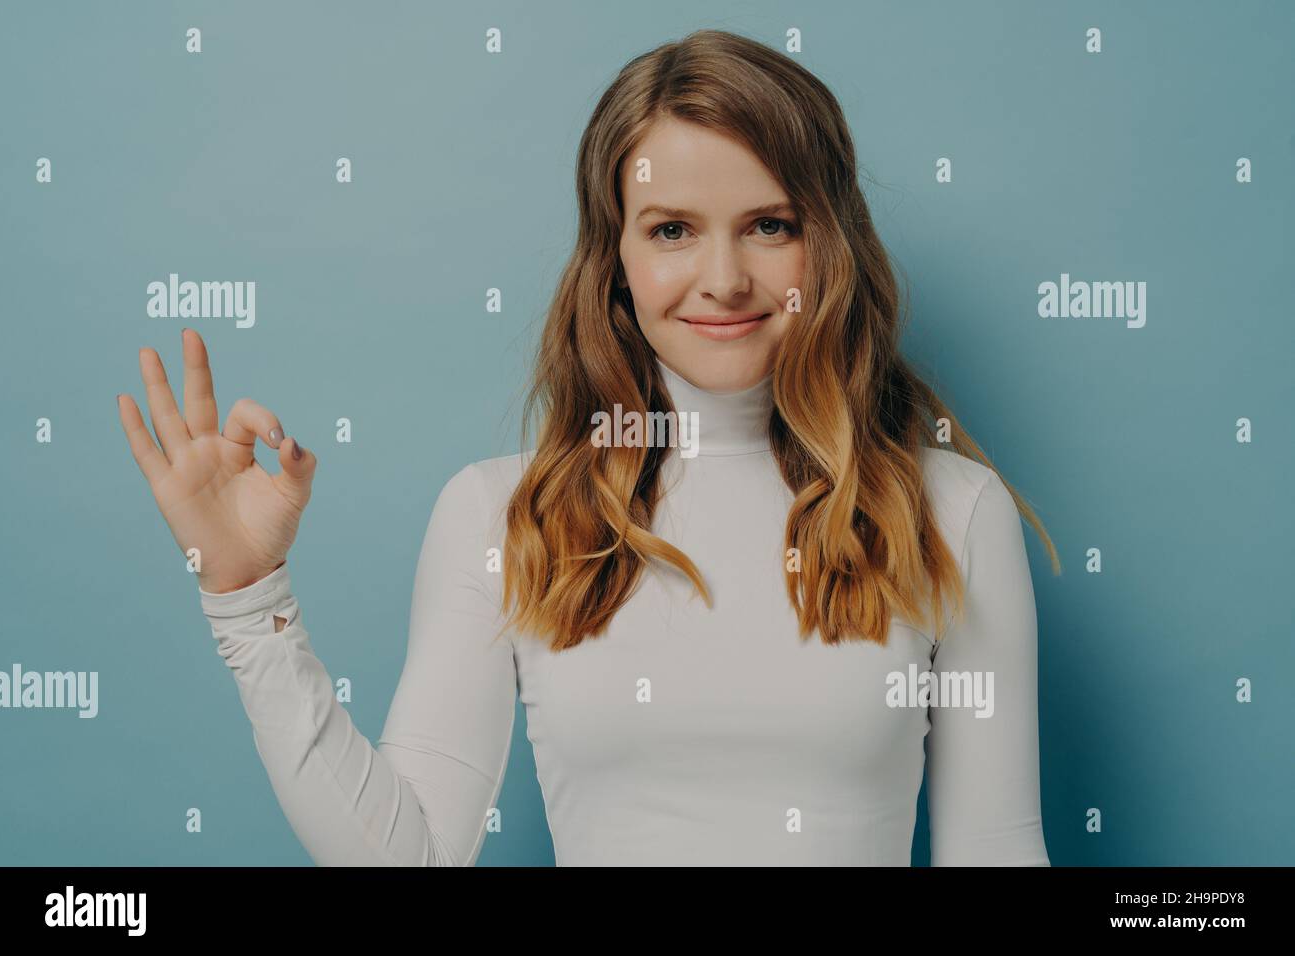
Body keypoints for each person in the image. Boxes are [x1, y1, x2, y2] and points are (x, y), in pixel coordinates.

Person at [117, 29, 1059, 866]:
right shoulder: (500, 513)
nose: (723, 279)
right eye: (673, 230)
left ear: (830, 244)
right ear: (615, 258)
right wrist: (246, 599)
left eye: (769, 226)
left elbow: (995, 853)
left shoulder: (951, 511)